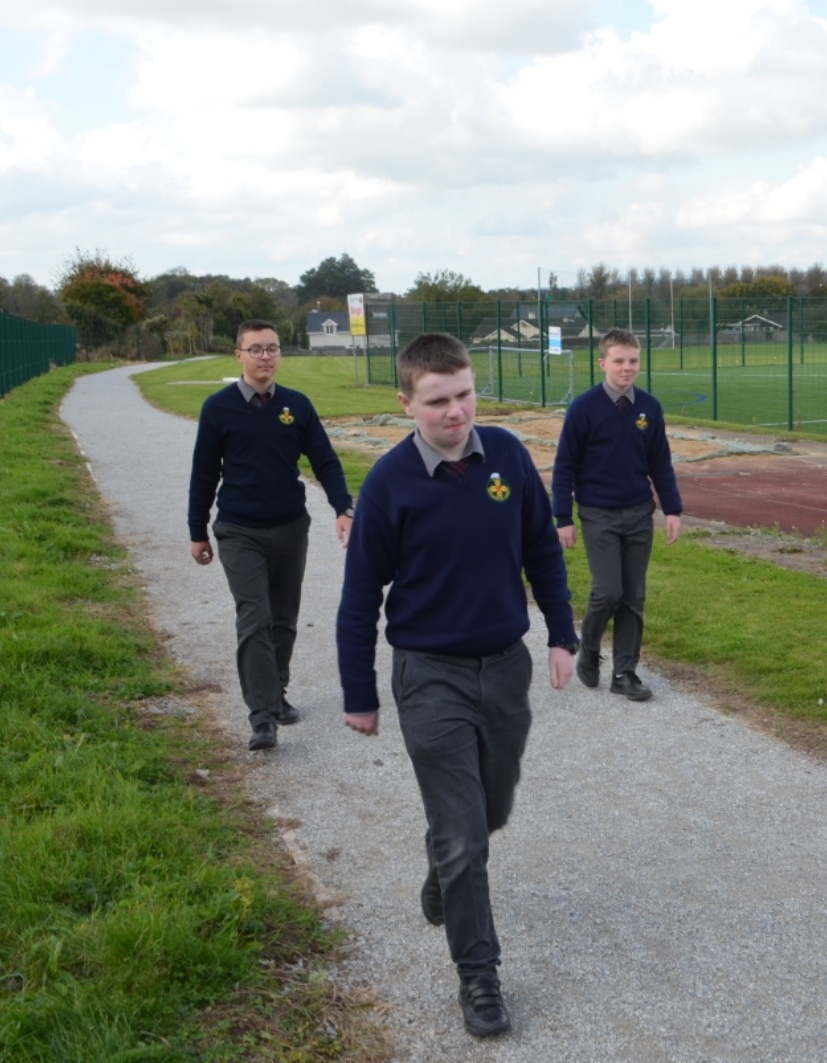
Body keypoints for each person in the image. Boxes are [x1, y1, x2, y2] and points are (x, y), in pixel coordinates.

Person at [336, 333, 578, 1039]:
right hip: (428, 675)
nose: (455, 412)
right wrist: (360, 694)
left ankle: (443, 866)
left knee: (490, 811)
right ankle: (479, 975)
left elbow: (540, 545)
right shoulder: (388, 484)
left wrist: (560, 633)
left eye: (464, 394)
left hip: (504, 665)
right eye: (438, 401)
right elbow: (358, 600)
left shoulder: (504, 454)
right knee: (467, 836)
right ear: (406, 403)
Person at [189, 319, 353, 752]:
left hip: (290, 527)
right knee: (254, 617)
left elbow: (326, 461)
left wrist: (343, 507)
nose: (266, 356)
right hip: (239, 530)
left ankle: (276, 693)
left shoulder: (296, 406)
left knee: (283, 619)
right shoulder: (218, 408)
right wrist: (197, 532)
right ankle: (262, 718)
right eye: (256, 349)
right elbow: (204, 474)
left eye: (273, 349)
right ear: (238, 355)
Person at [550, 327, 683, 701]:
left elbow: (661, 463)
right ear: (602, 362)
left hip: (639, 513)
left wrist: (671, 509)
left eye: (634, 361)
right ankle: (589, 648)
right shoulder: (584, 409)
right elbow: (564, 468)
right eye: (619, 361)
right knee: (608, 591)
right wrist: (563, 518)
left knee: (633, 596)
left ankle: (625, 672)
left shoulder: (649, 408)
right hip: (598, 514)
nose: (627, 368)